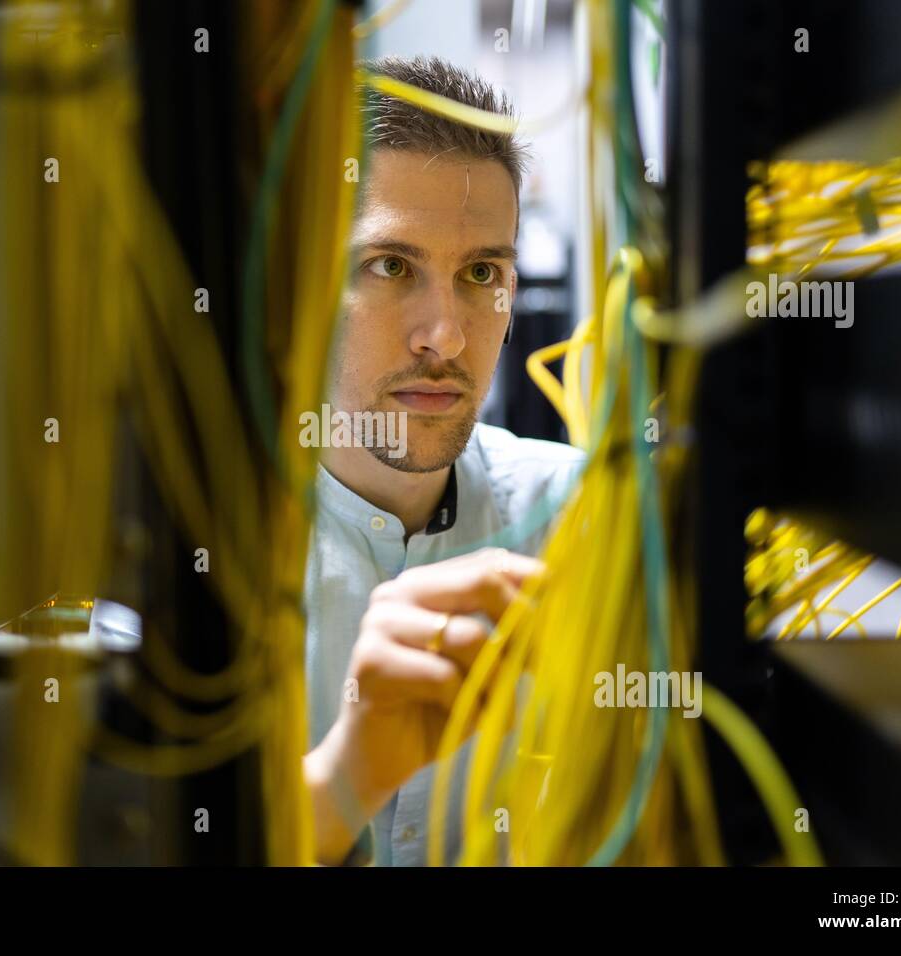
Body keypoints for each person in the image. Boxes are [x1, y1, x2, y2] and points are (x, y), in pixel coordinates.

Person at [303, 55, 586, 866]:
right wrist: (345, 777)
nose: (447, 336)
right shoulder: (201, 548)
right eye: (390, 266)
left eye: (481, 274)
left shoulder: (582, 518)